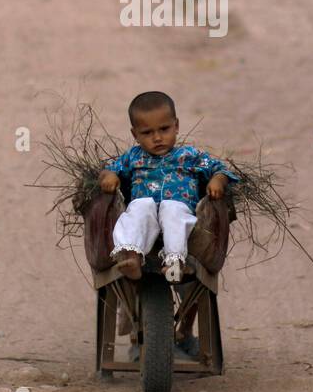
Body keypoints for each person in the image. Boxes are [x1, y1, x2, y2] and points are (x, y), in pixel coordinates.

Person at [99, 91, 237, 283]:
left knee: (173, 210)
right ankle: (131, 255)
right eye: (147, 133)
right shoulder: (133, 156)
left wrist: (218, 180)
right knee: (138, 208)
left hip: (177, 208)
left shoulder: (189, 155)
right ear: (135, 134)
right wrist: (110, 176)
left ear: (176, 126)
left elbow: (218, 168)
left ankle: (174, 262)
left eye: (164, 129)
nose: (157, 138)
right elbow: (109, 170)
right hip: (145, 214)